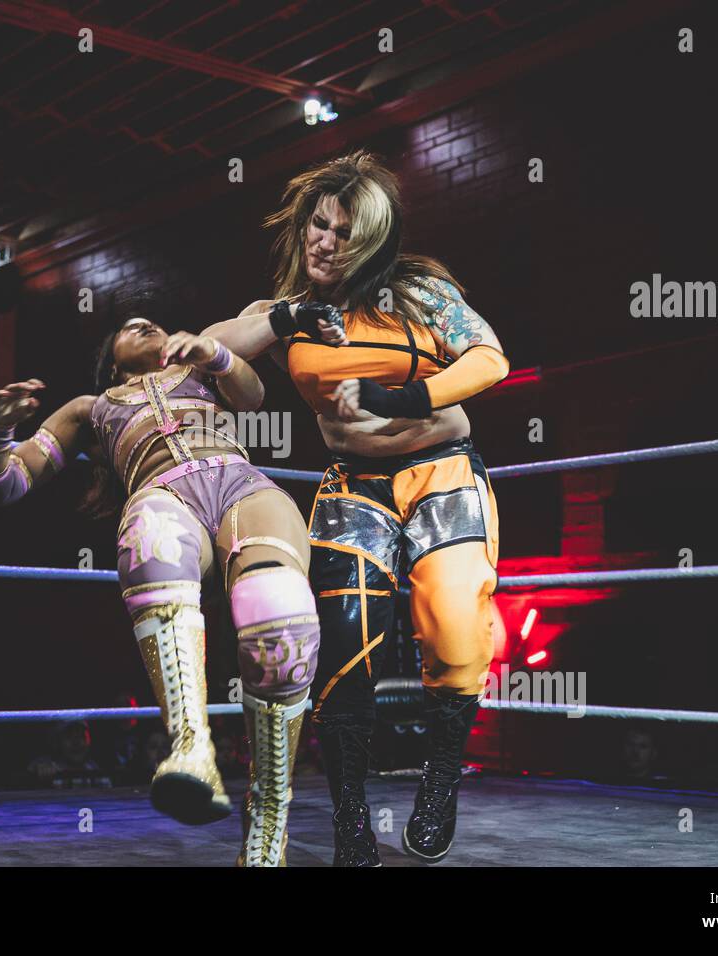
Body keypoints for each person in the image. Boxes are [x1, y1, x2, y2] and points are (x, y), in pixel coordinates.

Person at [204, 150, 509, 865]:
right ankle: (349, 822)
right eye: (317, 224)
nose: (324, 240)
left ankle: (439, 782)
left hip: (440, 472)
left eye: (342, 230)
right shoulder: (288, 315)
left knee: (457, 635)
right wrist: (284, 316)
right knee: (342, 646)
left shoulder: (417, 291)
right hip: (354, 485)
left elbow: (488, 358)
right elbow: (206, 353)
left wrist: (400, 397)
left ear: (370, 238)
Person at [0, 308, 320, 866]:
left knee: (278, 612)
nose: (147, 326)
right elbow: (5, 486)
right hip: (166, 495)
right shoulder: (93, 408)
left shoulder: (200, 357)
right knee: (150, 535)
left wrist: (215, 355)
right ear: (111, 359)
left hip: (240, 484)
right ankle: (191, 746)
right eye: (131, 327)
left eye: (153, 322)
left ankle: (267, 826)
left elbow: (253, 395)